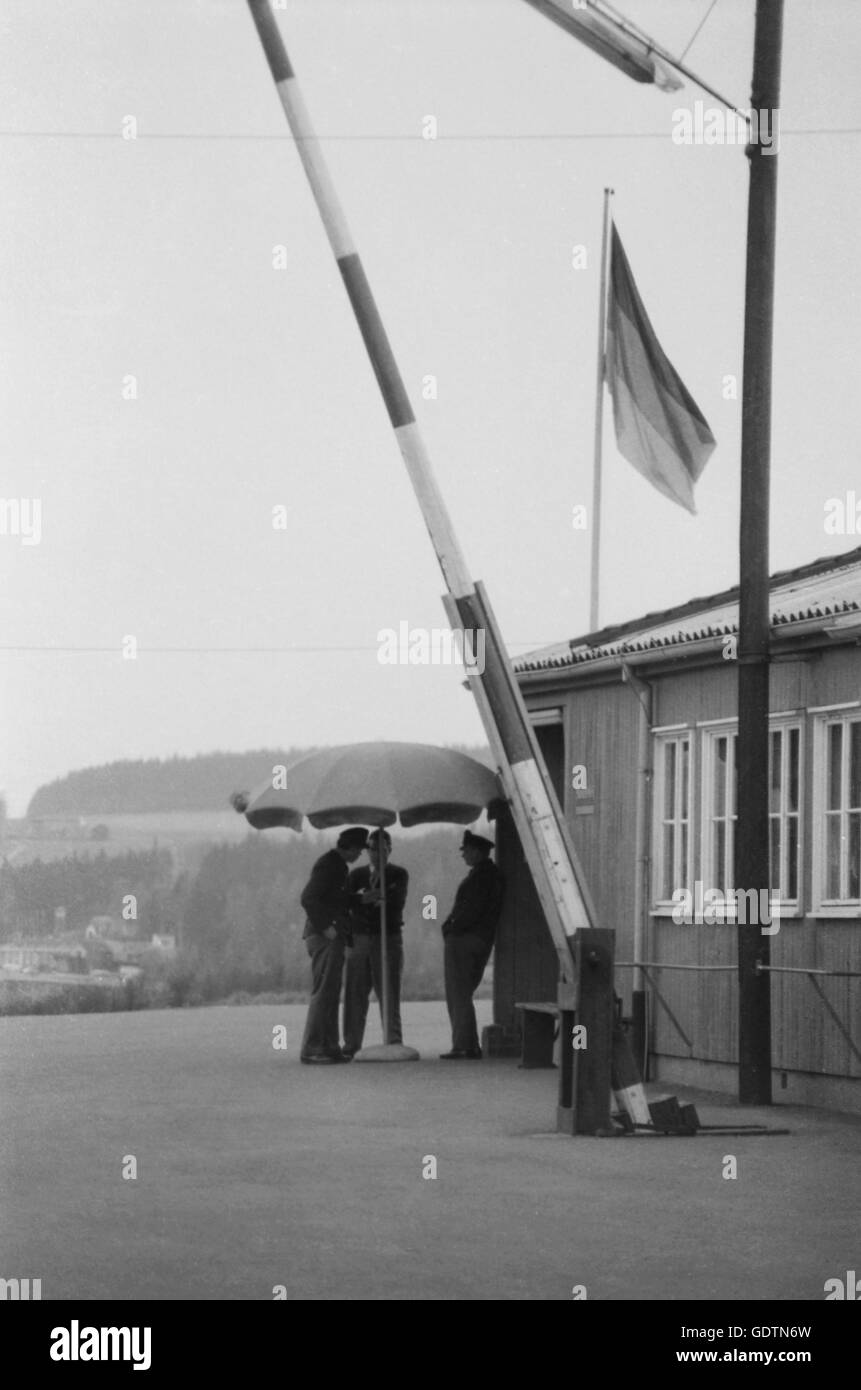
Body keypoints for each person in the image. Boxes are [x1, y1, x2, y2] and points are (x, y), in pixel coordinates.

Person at [299, 826, 368, 1064]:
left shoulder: (336, 865)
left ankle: (328, 1046)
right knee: (324, 992)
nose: (359, 855)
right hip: (325, 936)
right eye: (358, 850)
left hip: (331, 936)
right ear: (349, 847)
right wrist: (325, 926)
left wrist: (360, 899)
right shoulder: (329, 865)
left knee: (330, 991)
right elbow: (308, 898)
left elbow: (334, 898)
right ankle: (313, 1048)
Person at [343, 829, 408, 1055]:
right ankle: (351, 1045)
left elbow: (396, 902)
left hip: (387, 939)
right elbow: (348, 903)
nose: (376, 854)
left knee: (389, 991)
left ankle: (393, 1041)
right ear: (366, 851)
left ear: (389, 850)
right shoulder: (355, 876)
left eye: (382, 849)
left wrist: (379, 899)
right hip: (359, 939)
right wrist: (372, 899)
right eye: (372, 849)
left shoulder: (399, 874)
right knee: (355, 993)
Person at [439, 829, 504, 1060]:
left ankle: (464, 1045)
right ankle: (467, 1044)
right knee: (463, 993)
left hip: (465, 940)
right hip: (481, 939)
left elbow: (469, 911)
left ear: (477, 851)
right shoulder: (491, 875)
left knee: (458, 994)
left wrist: (449, 927)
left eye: (465, 850)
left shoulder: (479, 877)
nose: (463, 855)